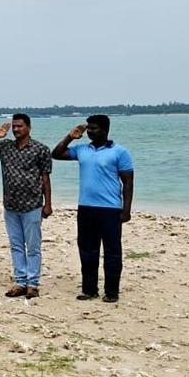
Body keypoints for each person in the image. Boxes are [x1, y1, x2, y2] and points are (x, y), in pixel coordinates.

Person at [51, 115, 134, 303]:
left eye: (94, 129)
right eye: (88, 128)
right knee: (87, 251)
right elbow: (55, 154)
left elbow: (128, 181)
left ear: (105, 130)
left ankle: (112, 292)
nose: (89, 132)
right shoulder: (82, 149)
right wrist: (70, 137)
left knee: (112, 252)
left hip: (110, 209)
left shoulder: (120, 152)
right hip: (86, 208)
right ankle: (90, 290)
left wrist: (126, 209)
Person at [0, 114, 53, 299]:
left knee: (33, 247)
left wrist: (48, 204)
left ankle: (32, 284)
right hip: (10, 205)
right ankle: (20, 281)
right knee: (16, 246)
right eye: (14, 127)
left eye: (20, 126)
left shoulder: (40, 149)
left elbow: (45, 178)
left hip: (32, 205)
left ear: (29, 127)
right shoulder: (5, 147)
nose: (16, 129)